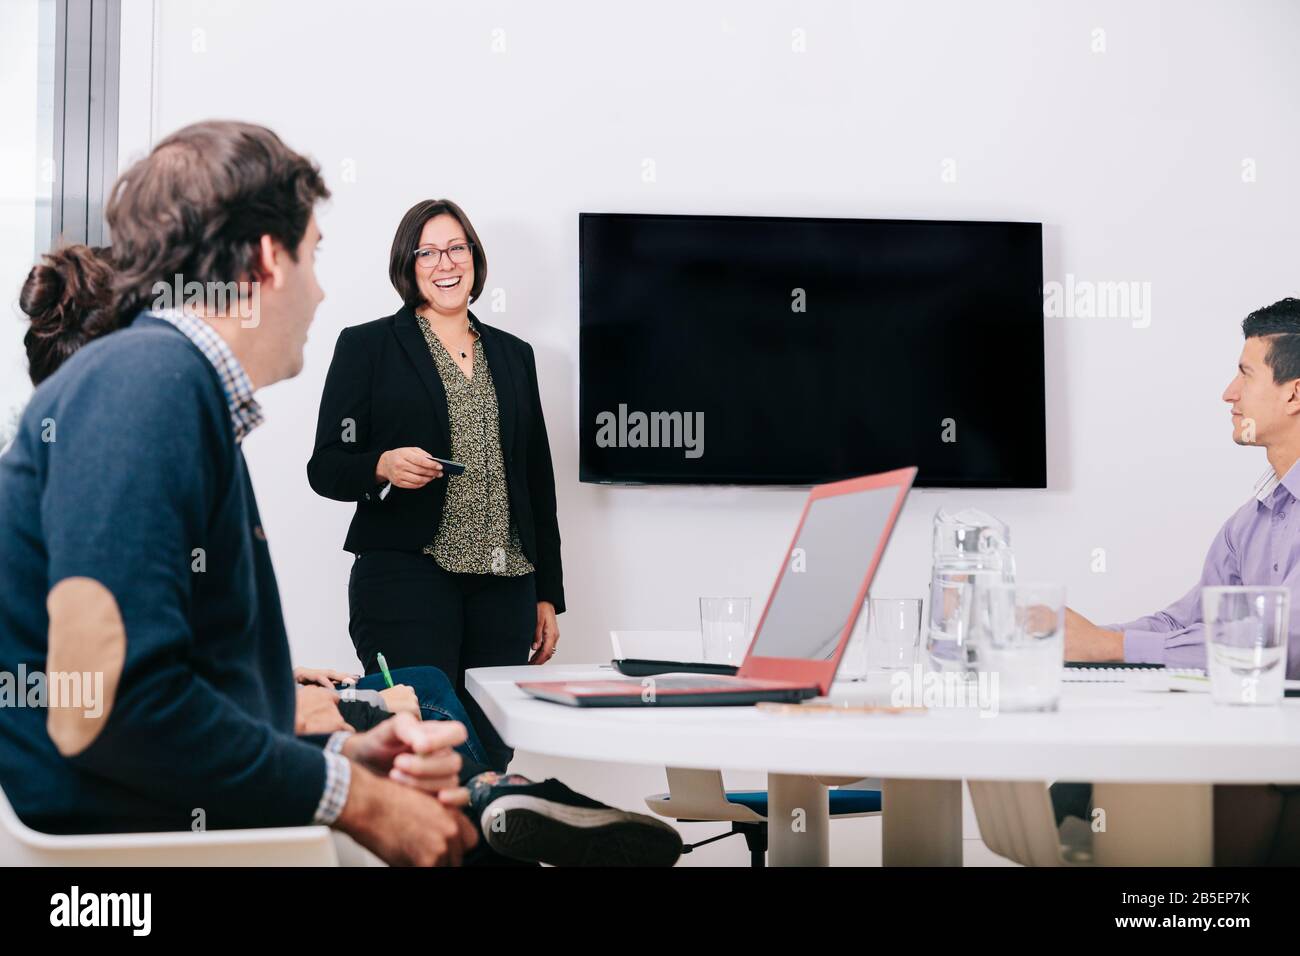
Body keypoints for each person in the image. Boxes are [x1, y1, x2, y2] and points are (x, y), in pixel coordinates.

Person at [0, 120, 679, 867]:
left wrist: (345, 748)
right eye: (314, 254)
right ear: (268, 260)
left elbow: (188, 684)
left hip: (158, 808)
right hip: (124, 838)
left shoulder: (170, 389)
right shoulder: (144, 387)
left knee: (446, 789)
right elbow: (117, 707)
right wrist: (350, 793)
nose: (321, 289)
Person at [308, 198, 564, 771]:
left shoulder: (514, 355)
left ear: (474, 258)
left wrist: (548, 592)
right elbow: (324, 466)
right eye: (428, 251)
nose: (444, 263)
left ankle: (490, 833)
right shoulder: (368, 346)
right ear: (408, 263)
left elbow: (536, 479)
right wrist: (382, 465)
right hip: (406, 577)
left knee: (492, 747)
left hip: (506, 583)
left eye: (456, 248)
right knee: (424, 741)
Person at [1060, 297, 1300, 864]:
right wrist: (1081, 641)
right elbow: (1189, 618)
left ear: (1294, 393)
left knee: (1121, 802)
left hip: (1275, 769)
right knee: (1084, 790)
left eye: (1245, 374)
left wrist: (1111, 647)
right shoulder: (1253, 519)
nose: (1228, 393)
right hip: (1254, 755)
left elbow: (1285, 649)